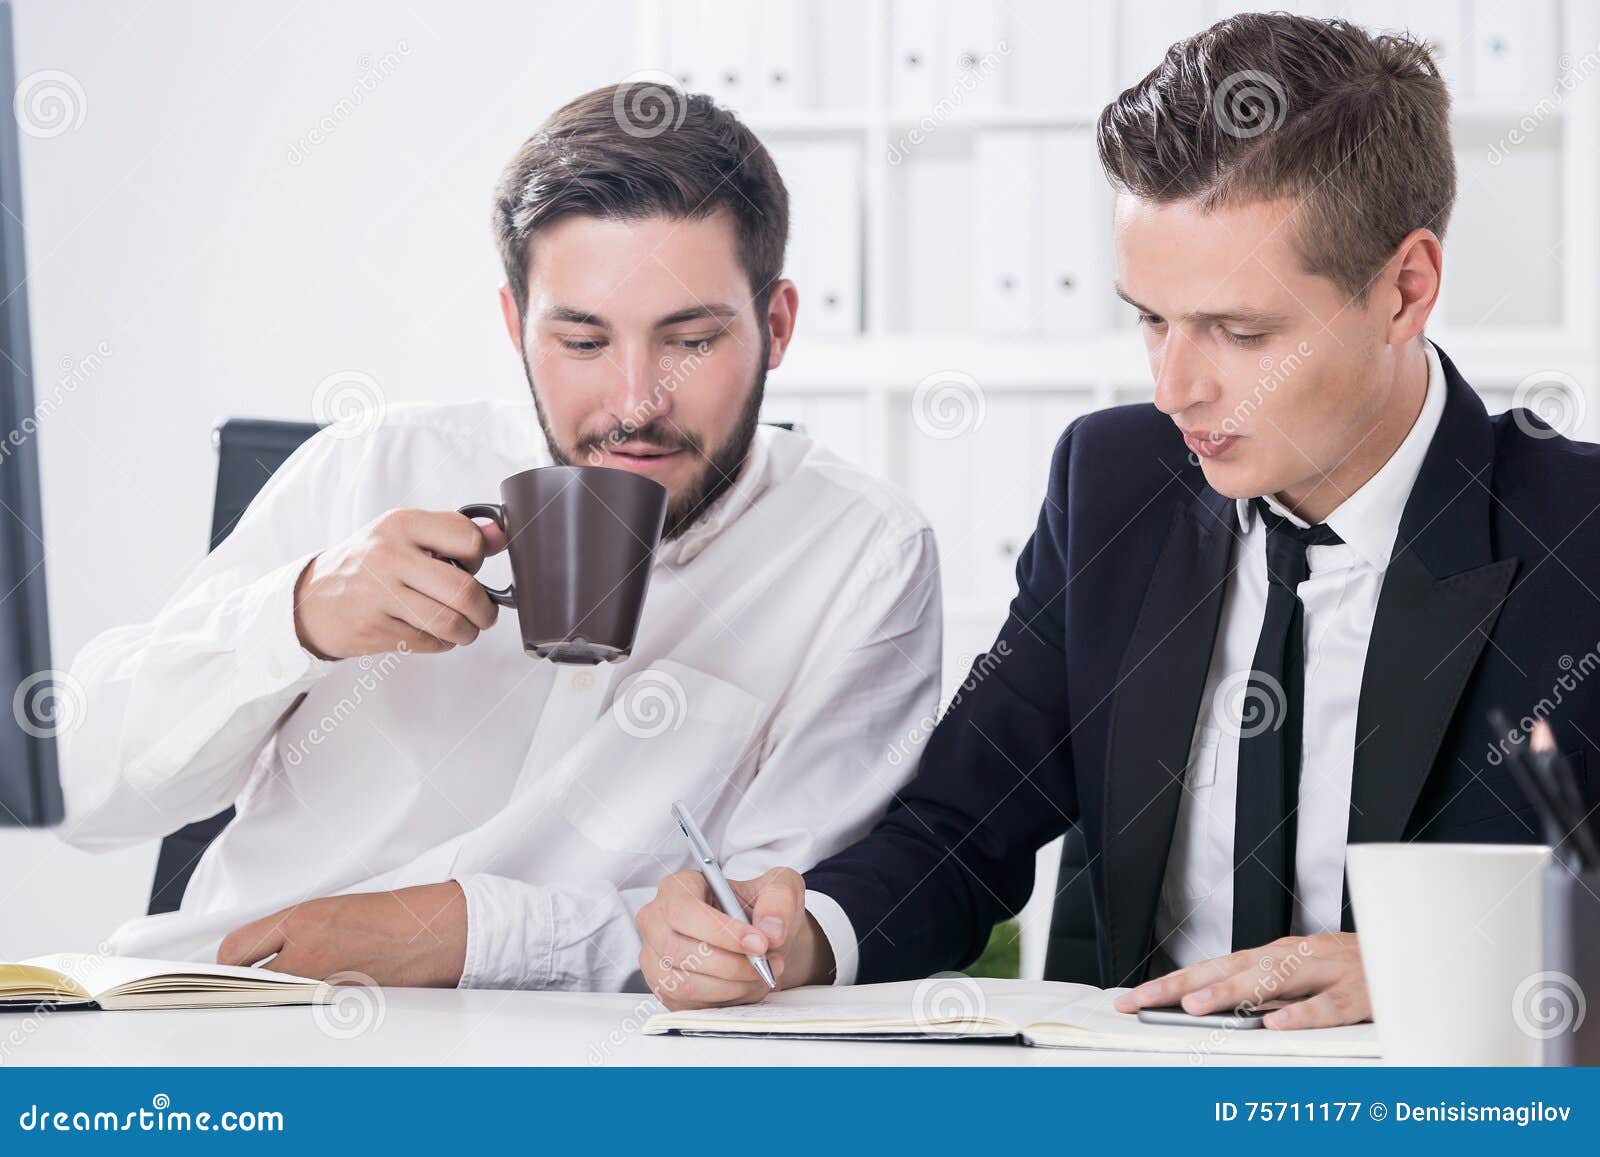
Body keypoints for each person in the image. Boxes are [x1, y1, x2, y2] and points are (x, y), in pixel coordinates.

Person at [635, 12, 1600, 1027]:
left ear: (1404, 291)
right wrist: (798, 936)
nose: (1174, 386)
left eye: (1238, 330)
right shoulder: (1113, 483)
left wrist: (1447, 966)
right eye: (1150, 317)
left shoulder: (1575, 531)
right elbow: (960, 824)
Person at [58, 84, 941, 991]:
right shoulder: (372, 463)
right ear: (517, 326)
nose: (635, 402)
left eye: (690, 340)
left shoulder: (859, 554)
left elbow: (759, 936)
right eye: (584, 342)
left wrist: (471, 930)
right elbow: (86, 797)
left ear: (777, 327)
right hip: (225, 1011)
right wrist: (295, 617)